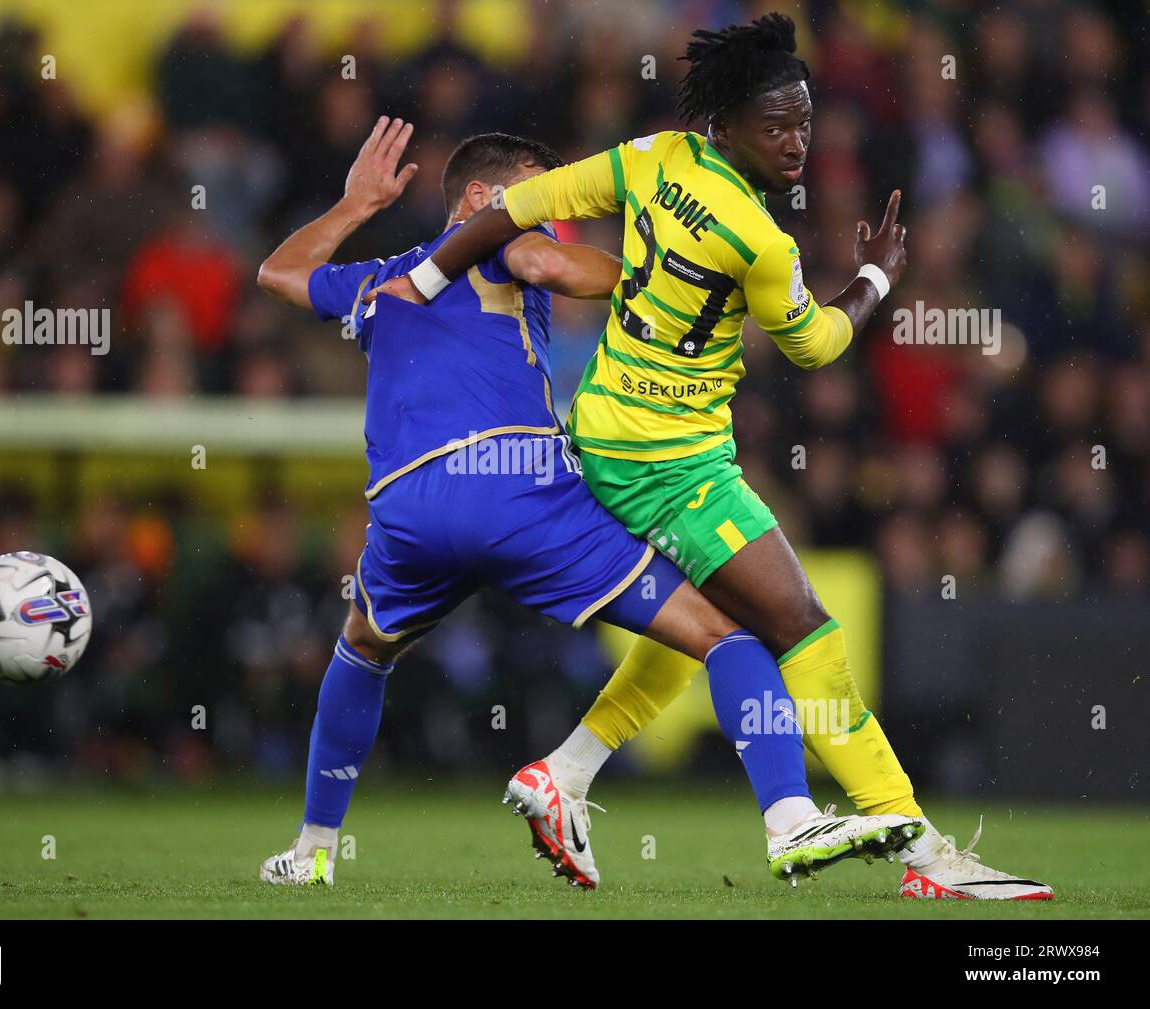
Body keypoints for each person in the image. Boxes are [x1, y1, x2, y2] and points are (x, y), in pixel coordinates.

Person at [365, 15, 1052, 901]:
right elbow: (811, 345)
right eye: (777, 126)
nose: (797, 142)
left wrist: (423, 280)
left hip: (607, 434)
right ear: (726, 127)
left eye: (804, 120)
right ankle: (908, 841)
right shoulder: (760, 239)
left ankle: (563, 774)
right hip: (673, 464)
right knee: (802, 625)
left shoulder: (653, 157)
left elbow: (515, 207)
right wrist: (879, 276)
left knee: (696, 630)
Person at [255, 116, 919, 888]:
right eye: (530, 199)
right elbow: (556, 265)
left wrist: (353, 206)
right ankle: (789, 819)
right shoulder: (499, 238)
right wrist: (670, 274)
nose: (542, 214)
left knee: (364, 648)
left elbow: (276, 272)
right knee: (726, 629)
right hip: (517, 488)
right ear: (478, 197)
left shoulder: (375, 284)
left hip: (405, 510)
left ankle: (311, 851)